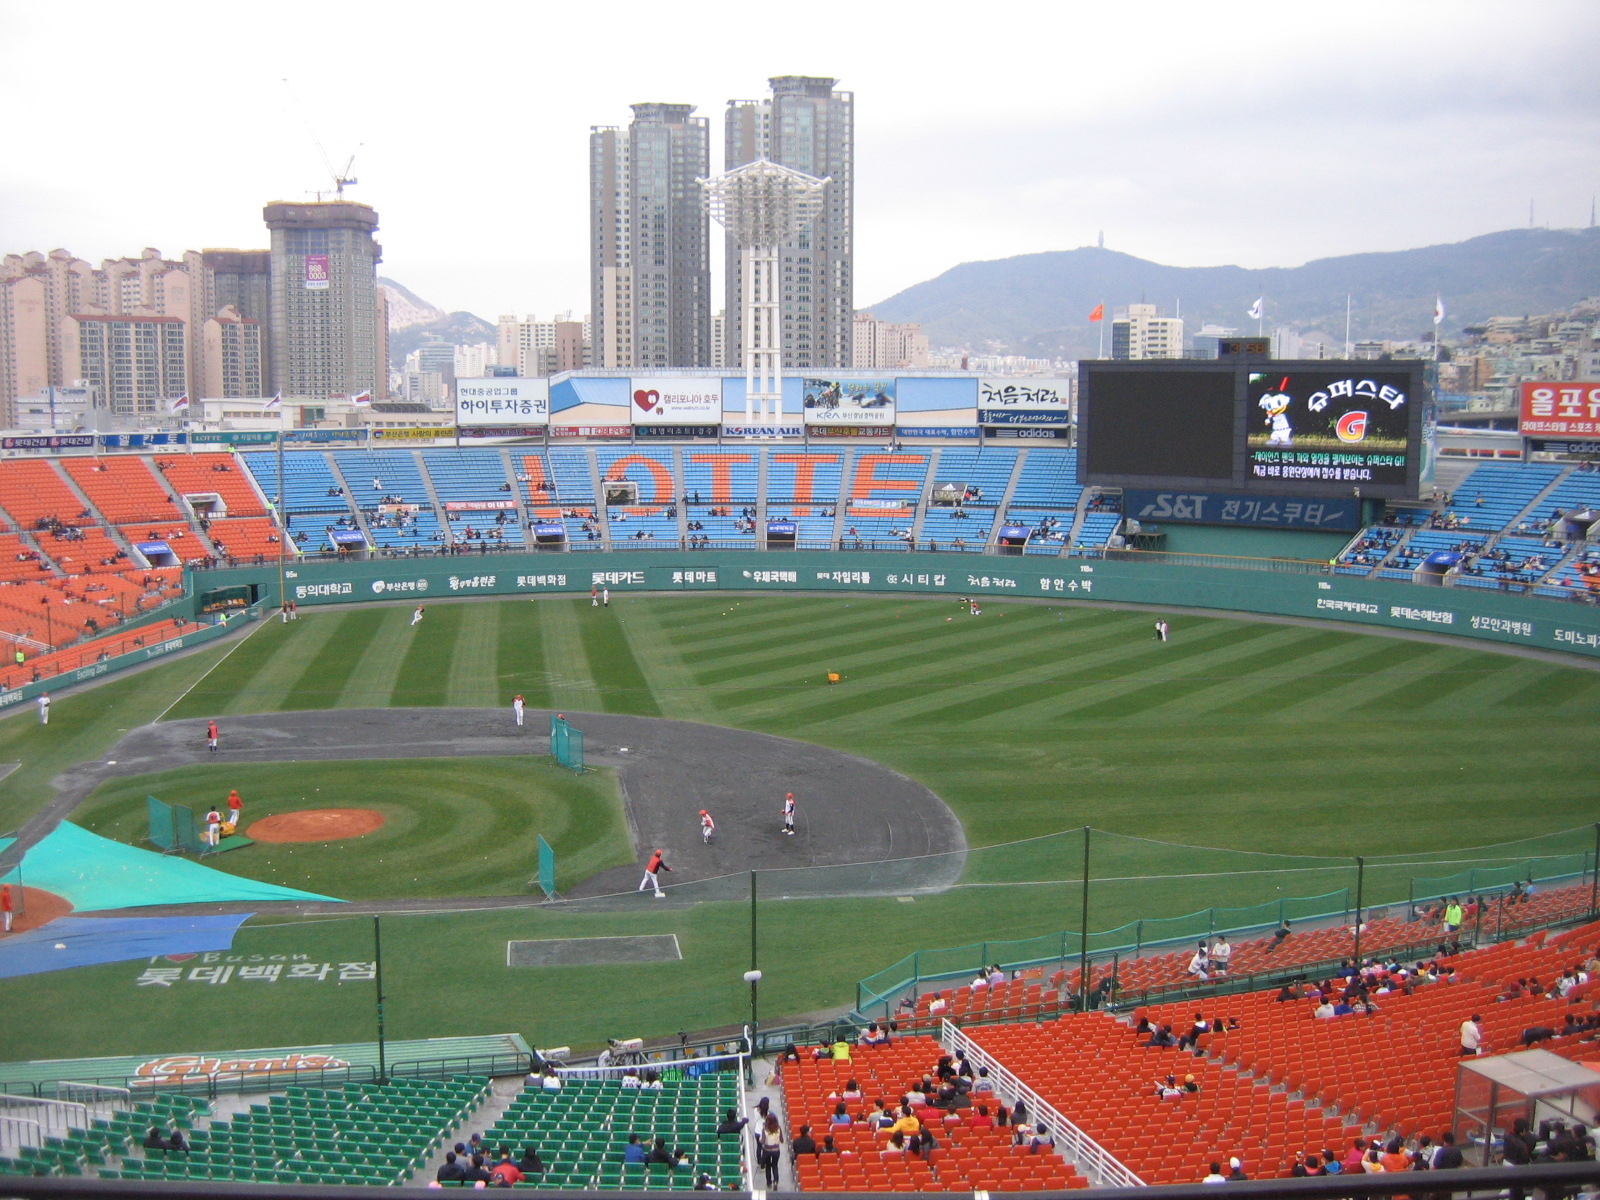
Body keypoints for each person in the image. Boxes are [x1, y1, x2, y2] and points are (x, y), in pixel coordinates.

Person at [756, 1114, 783, 1187]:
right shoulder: (778, 1128)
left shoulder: (765, 1129)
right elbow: (782, 1140)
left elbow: (763, 1141)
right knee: (775, 1165)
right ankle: (776, 1181)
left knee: (768, 1166)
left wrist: (760, 1139)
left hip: (767, 1150)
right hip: (776, 1150)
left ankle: (769, 1182)